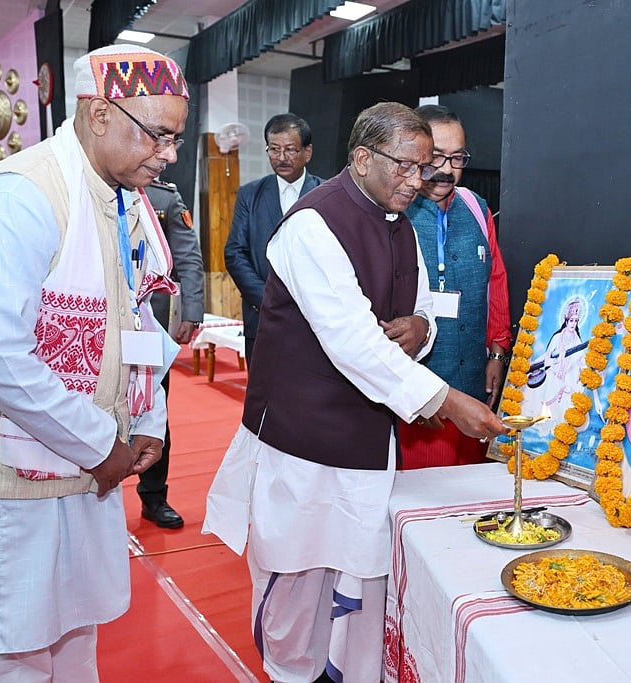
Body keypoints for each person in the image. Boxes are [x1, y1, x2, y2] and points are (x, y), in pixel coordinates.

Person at [203, 102, 505, 683]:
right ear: (363, 158)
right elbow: (354, 343)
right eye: (406, 166)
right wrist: (448, 401)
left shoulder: (401, 223)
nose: (418, 181)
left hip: (367, 441)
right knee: (297, 582)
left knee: (361, 584)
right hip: (302, 444)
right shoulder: (313, 225)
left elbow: (421, 311)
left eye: (425, 168)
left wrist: (422, 328)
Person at [0, 44, 188, 679]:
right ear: (99, 114)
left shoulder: (124, 199)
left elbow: (136, 317)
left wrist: (148, 420)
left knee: (77, 639)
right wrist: (100, 444)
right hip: (15, 475)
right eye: (158, 135)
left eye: (175, 138)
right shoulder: (20, 195)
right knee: (21, 653)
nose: (169, 154)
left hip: (88, 461)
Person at [397, 104, 512, 469]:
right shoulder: (396, 213)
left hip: (474, 384)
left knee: (471, 488)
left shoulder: (477, 208)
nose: (447, 169)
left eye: (457, 157)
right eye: (436, 157)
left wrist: (497, 354)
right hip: (413, 394)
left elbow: (496, 283)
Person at [224, 113, 323, 366]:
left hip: (315, 319)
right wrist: (266, 299)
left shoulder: (326, 195)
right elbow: (235, 252)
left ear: (307, 152)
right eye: (274, 149)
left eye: (290, 150)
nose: (281, 157)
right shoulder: (250, 194)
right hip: (262, 317)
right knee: (261, 388)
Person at [139, 178, 205, 528]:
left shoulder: (163, 197)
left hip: (148, 323)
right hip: (98, 323)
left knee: (153, 411)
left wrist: (191, 312)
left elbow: (188, 258)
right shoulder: (89, 187)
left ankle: (153, 497)